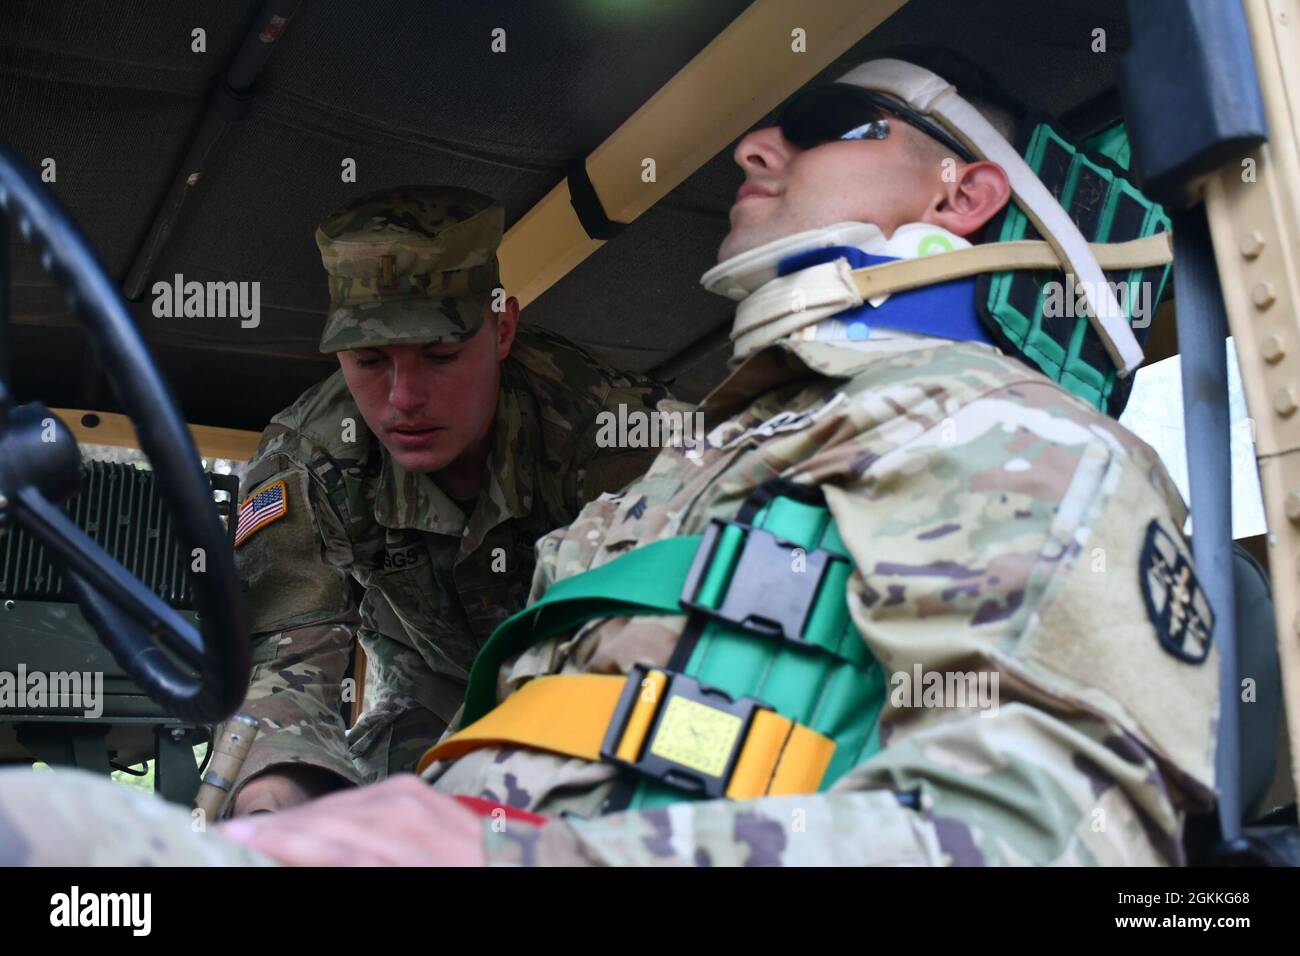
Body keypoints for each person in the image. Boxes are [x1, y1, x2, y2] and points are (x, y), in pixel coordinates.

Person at [0, 54, 1217, 866]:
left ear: (963, 194)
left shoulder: (1003, 438)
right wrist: (280, 805)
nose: (752, 149)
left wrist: (495, 851)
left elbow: (1054, 835)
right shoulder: (681, 477)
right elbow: (299, 663)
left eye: (822, 126)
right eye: (369, 365)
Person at [226, 186, 672, 814]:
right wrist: (270, 789)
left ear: (503, 329)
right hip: (429, 692)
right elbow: (284, 659)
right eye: (370, 359)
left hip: (599, 689)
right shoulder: (309, 458)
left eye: (441, 355)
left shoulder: (621, 437)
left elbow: (662, 645)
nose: (403, 397)